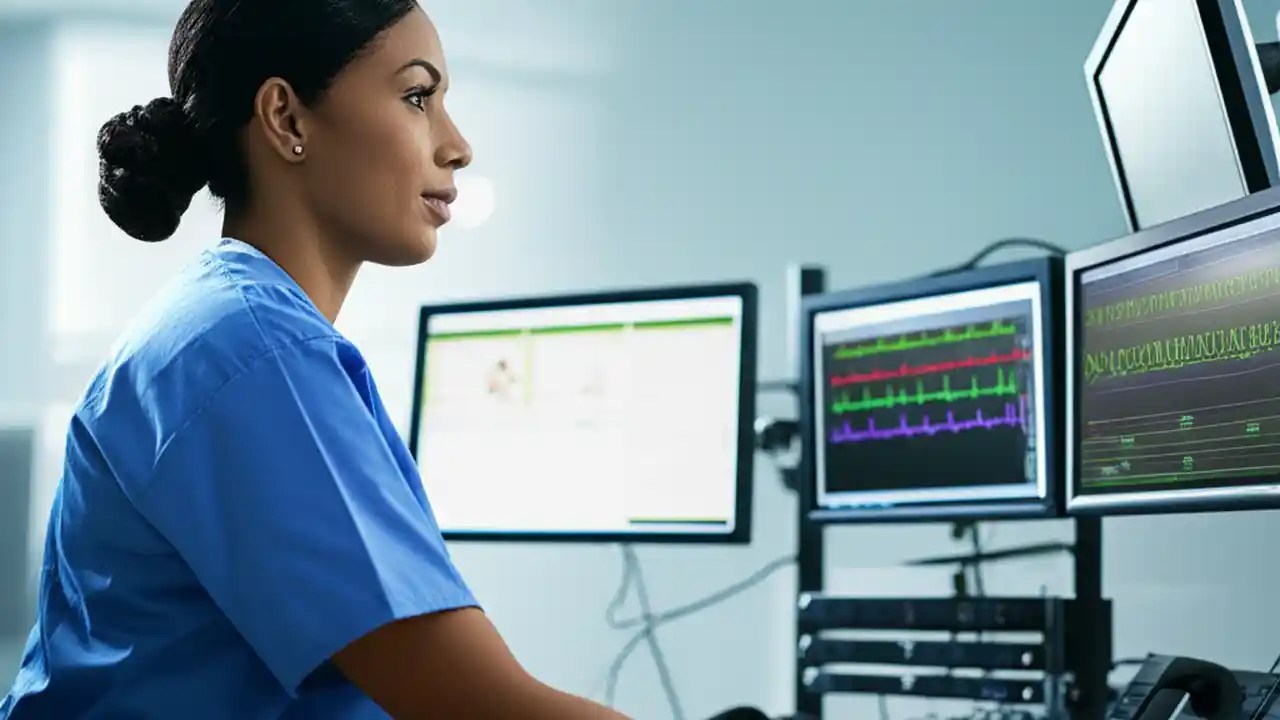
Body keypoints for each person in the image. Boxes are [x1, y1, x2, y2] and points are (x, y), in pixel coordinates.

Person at [0, 2, 629, 718]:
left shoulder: (228, 328)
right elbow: (482, 708)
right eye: (417, 97)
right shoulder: (252, 351)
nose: (457, 146)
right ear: (287, 120)